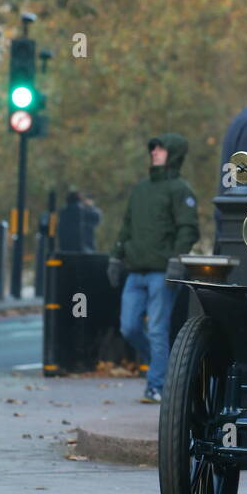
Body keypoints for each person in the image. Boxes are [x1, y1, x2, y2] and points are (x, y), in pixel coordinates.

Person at [108, 134, 200, 402]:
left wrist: (176, 259)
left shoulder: (181, 189)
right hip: (135, 271)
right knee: (129, 327)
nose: (155, 153)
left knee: (158, 329)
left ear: (173, 154)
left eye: (161, 149)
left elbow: (189, 229)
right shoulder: (140, 189)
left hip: (162, 272)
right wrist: (116, 256)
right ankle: (169, 371)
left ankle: (157, 385)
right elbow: (127, 226)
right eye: (154, 149)